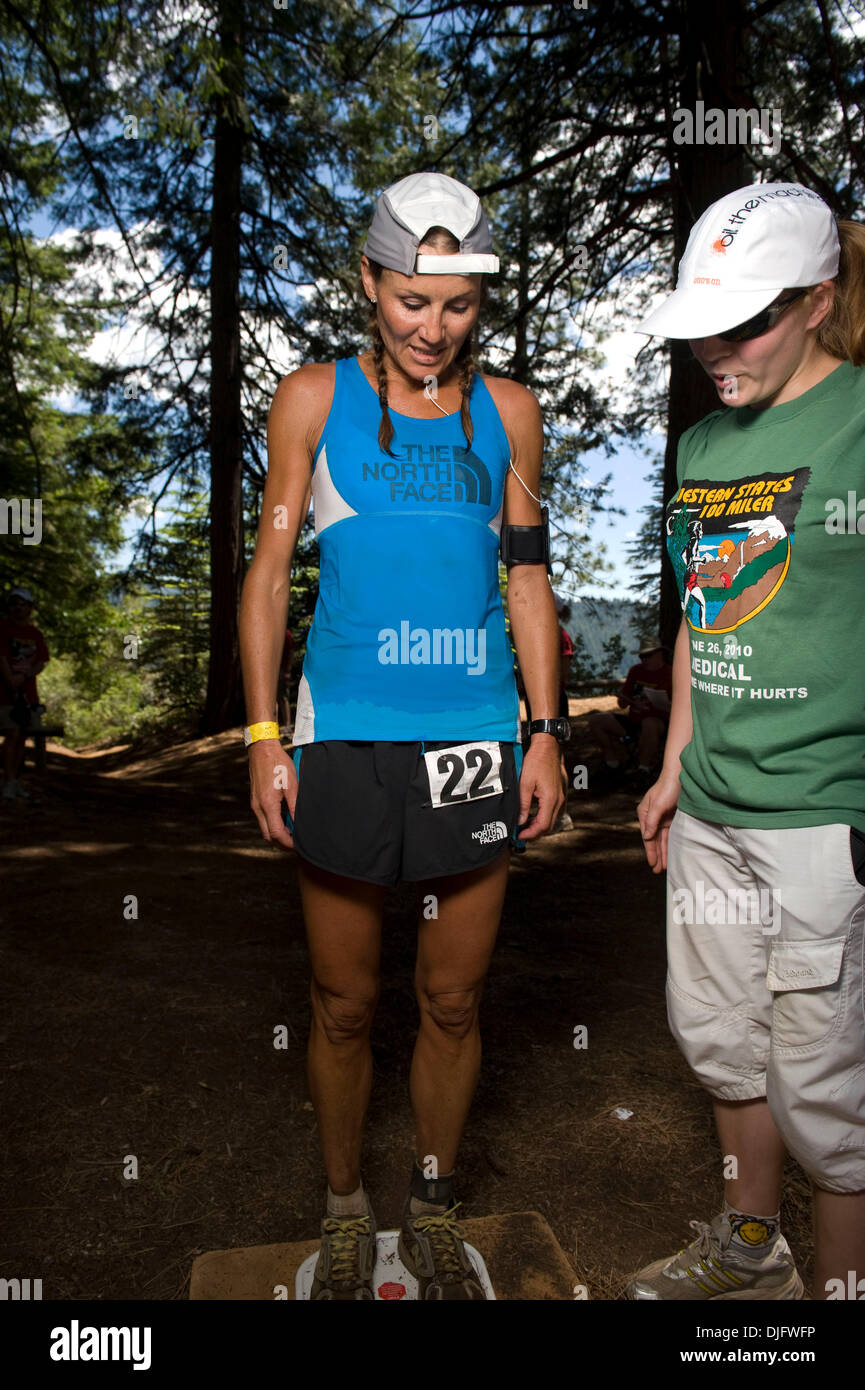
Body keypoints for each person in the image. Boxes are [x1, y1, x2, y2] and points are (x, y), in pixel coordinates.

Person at [239, 171, 566, 1300]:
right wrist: (261, 735)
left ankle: (431, 1207)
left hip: (472, 732)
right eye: (411, 300)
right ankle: (341, 1212)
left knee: (454, 999)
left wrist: (546, 730)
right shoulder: (308, 399)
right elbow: (270, 575)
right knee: (340, 1000)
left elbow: (527, 581)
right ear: (369, 281)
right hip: (340, 738)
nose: (434, 328)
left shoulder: (510, 413)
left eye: (459, 305)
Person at [630, 182, 865, 1301]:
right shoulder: (702, 445)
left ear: (819, 300)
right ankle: (749, 1250)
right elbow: (701, 613)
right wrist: (676, 762)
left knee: (825, 1089)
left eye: (748, 322)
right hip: (715, 809)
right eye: (702, 325)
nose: (716, 350)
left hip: (823, 813)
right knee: (723, 1045)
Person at [587, 638, 672, 785]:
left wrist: (658, 705)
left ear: (660, 654)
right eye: (641, 656)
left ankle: (643, 770)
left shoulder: (671, 673)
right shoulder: (636, 671)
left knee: (649, 723)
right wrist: (627, 700)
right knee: (596, 720)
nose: (644, 660)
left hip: (660, 724)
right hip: (633, 721)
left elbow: (678, 707)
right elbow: (621, 704)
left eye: (648, 655)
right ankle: (612, 763)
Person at [0, 586, 49, 802]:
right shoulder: (2, 628)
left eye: (22, 604)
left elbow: (42, 661)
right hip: (4, 694)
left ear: (29, 608)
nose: (18, 608)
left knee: (22, 736)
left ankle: (13, 781)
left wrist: (27, 675)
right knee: (11, 733)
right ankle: (8, 780)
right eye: (14, 604)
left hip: (28, 695)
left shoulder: (34, 634)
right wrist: (10, 678)